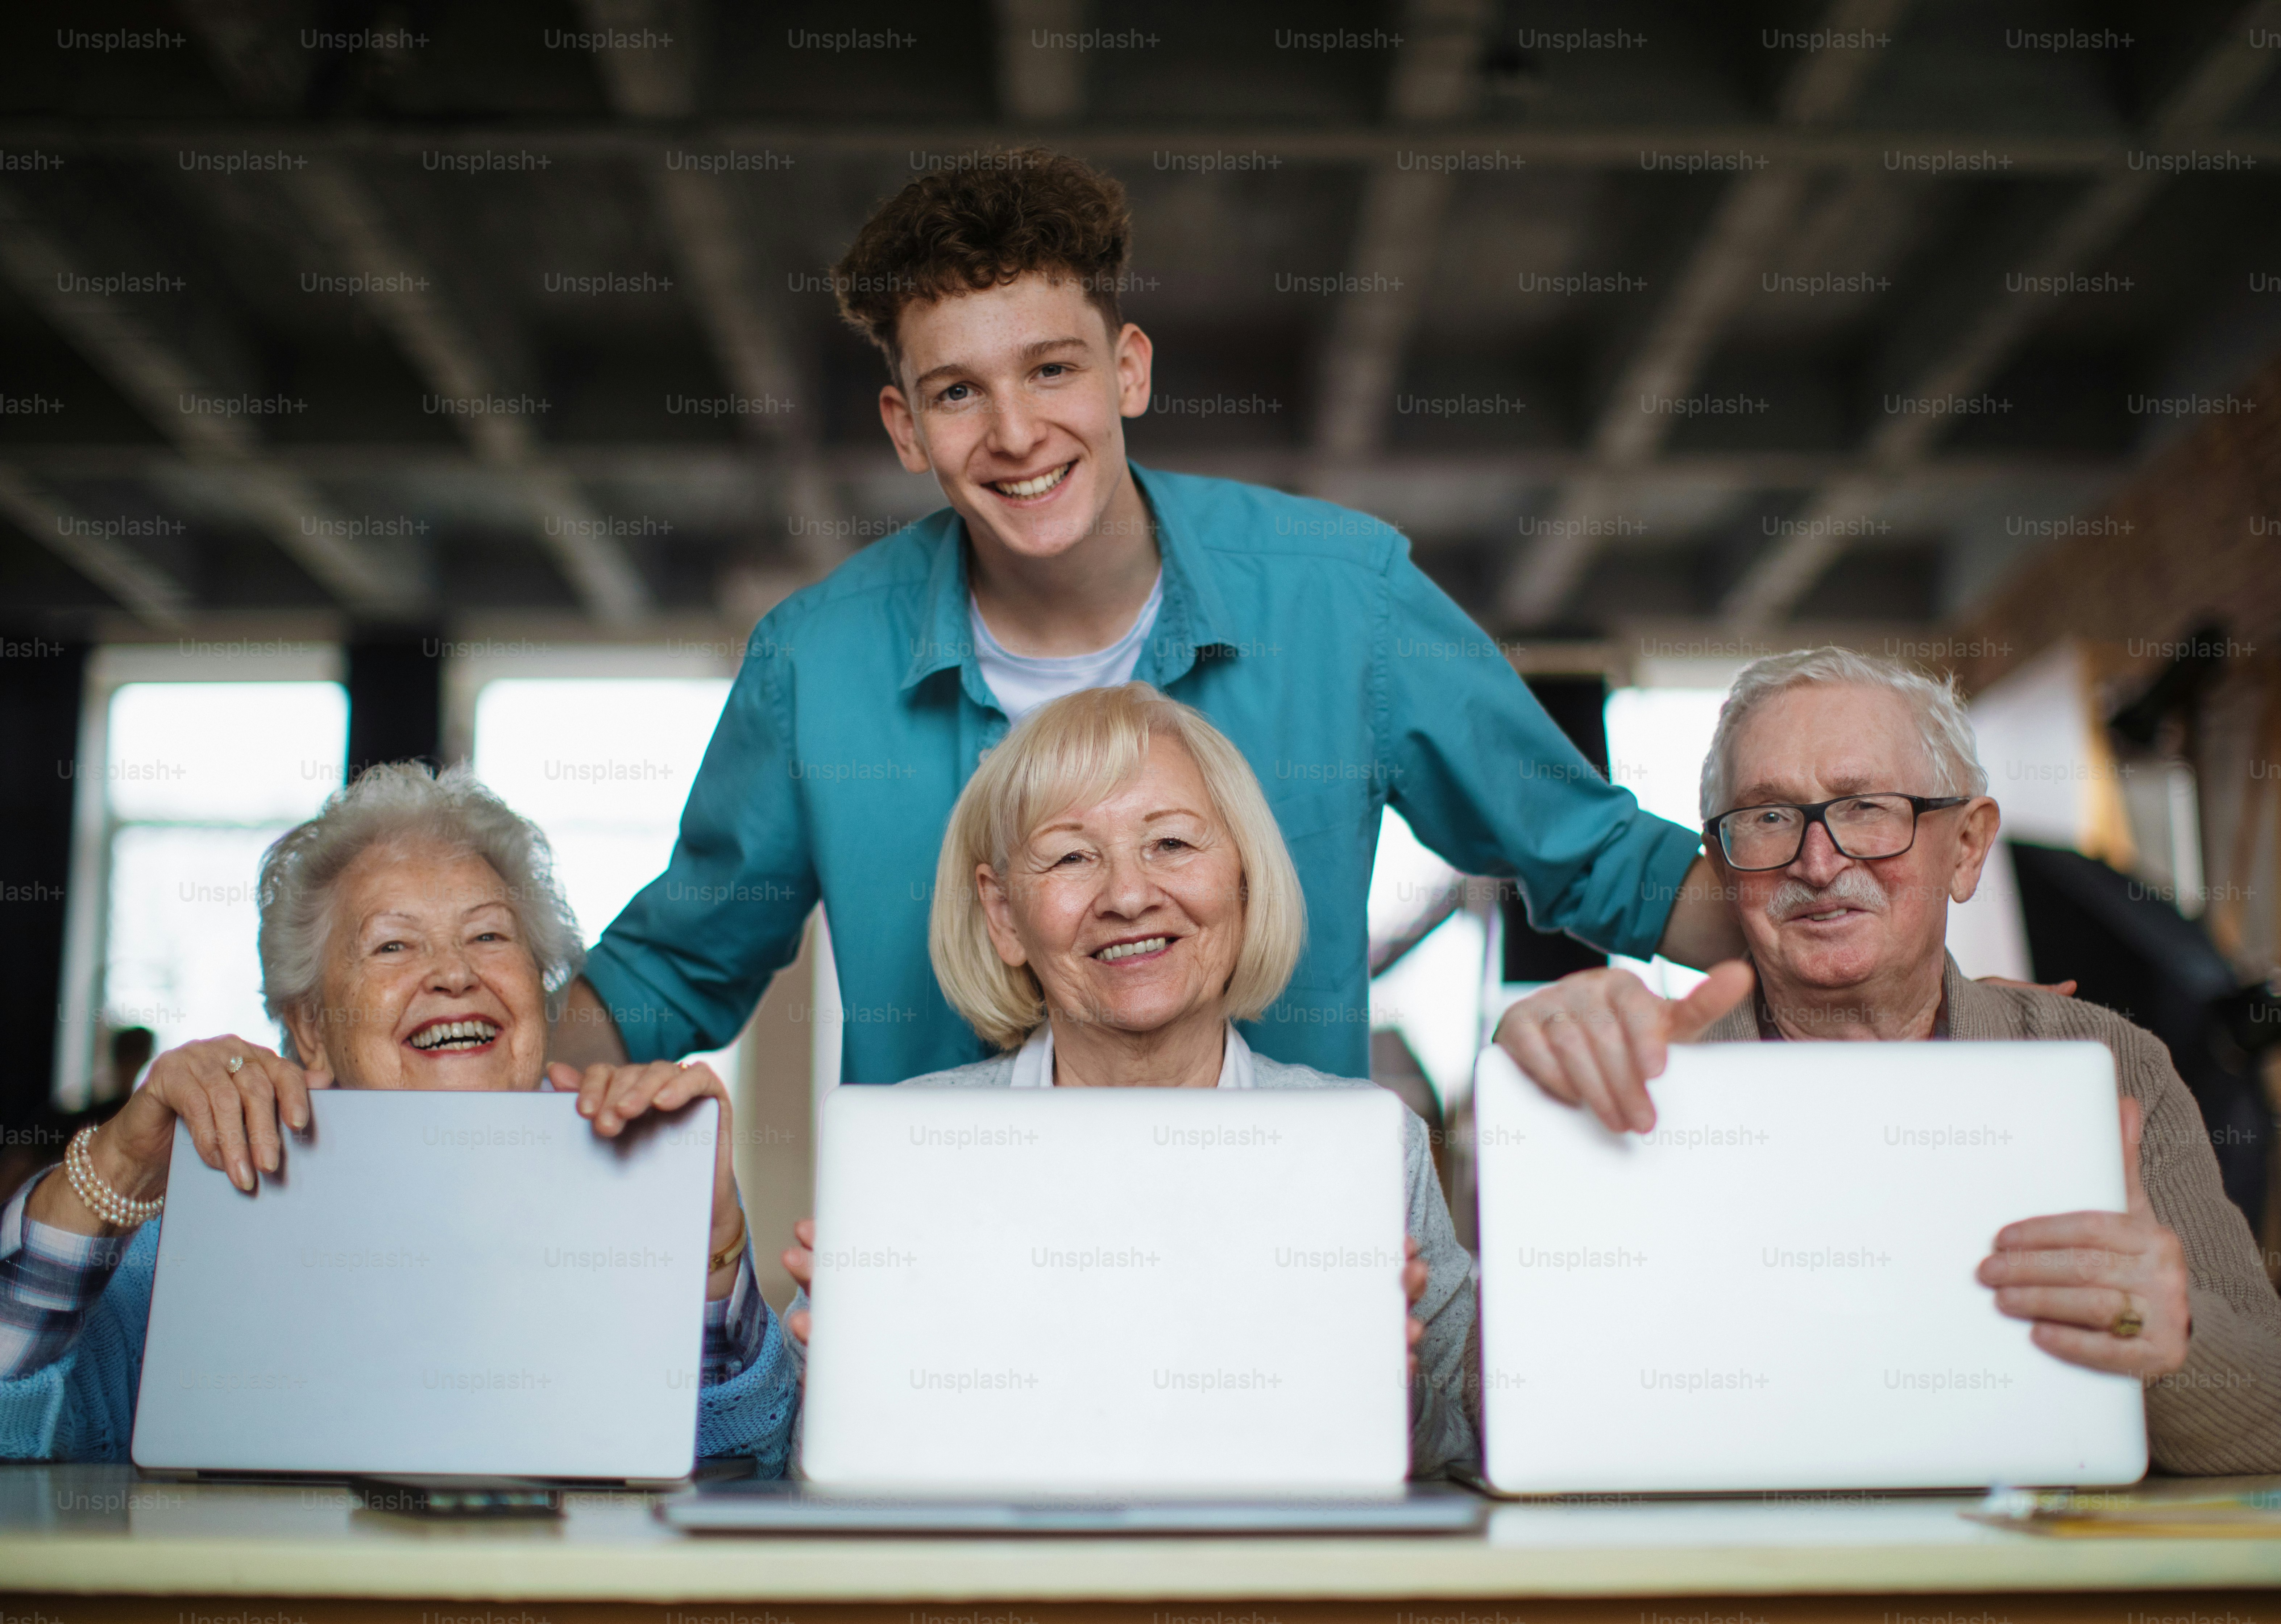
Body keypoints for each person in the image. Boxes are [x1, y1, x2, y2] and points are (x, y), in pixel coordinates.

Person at [553, 147, 1739, 1088]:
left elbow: (1595, 858)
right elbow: (671, 971)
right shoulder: (814, 666)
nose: (1015, 434)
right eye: (957, 392)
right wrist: (457, 1079)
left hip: (1273, 1244)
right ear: (905, 428)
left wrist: (1826, 947)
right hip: (950, 1268)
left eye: (1051, 370)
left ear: (1127, 370)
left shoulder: (1341, 599)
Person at [1494, 646, 2281, 1474]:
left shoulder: (2108, 1065)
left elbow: (2270, 1420)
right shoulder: (1622, 1078)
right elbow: (1503, 1410)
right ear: (1723, 866)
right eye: (1768, 817)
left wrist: (2174, 1339)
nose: (1818, 862)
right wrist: (1535, 1088)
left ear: (1967, 847)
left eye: (1867, 807)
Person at [0, 765, 797, 1470]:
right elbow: (17, 1425)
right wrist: (115, 1168)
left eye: (488, 934)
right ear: (311, 1027)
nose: (453, 973)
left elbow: (742, 1464)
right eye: (392, 946)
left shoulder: (630, 1196)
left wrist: (707, 1240)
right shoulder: (207, 1216)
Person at [779, 683, 1478, 1478]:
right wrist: (855, 1393)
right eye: (1072, 857)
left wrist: (1391, 1395)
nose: (1129, 895)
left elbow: (1466, 1448)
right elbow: (795, 1464)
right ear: (1004, 915)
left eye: (1171, 843)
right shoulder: (907, 1151)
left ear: (1243, 879)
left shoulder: (1372, 1145)